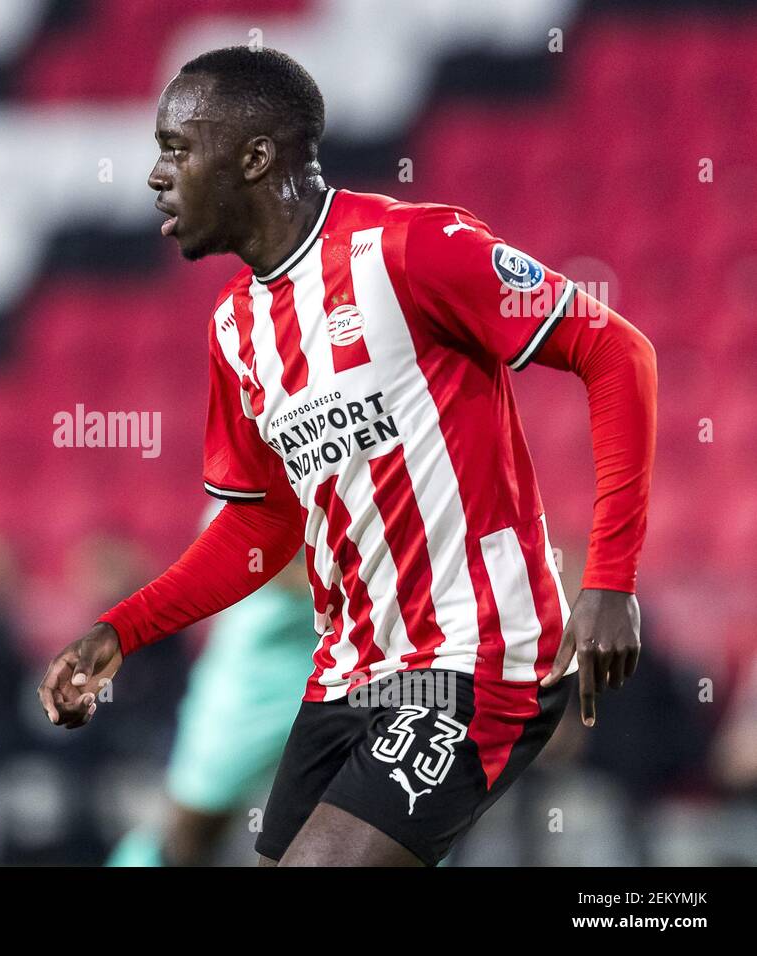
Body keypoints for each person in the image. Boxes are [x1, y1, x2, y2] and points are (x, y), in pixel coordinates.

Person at [38, 46, 657, 867]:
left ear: (255, 157)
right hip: (344, 673)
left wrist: (609, 580)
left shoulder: (412, 249)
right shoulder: (235, 329)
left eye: (177, 148)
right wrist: (121, 629)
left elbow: (616, 352)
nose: (157, 174)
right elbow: (261, 527)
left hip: (476, 655)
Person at [107, 517, 317, 867]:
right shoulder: (260, 468)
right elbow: (251, 556)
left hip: (354, 662)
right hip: (257, 675)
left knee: (386, 808)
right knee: (195, 825)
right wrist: (358, 578)